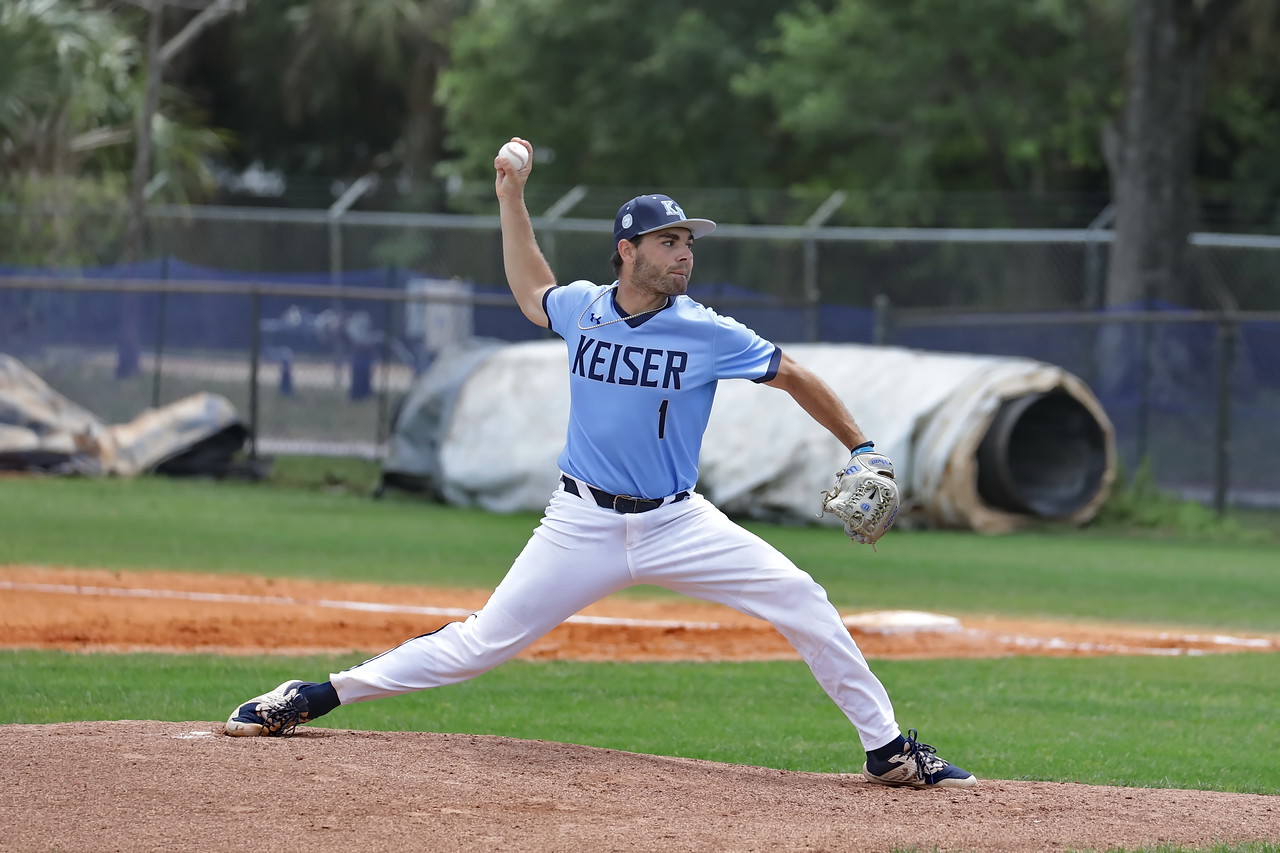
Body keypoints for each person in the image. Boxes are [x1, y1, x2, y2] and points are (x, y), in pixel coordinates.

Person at [224, 137, 977, 790]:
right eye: (668, 240)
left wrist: (863, 446)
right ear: (628, 250)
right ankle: (317, 694)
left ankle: (887, 752)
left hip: (678, 520)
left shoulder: (705, 331)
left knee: (802, 597)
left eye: (689, 241)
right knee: (483, 642)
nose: (684, 252)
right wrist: (510, 196)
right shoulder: (584, 307)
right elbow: (530, 288)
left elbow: (793, 374)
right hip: (580, 520)